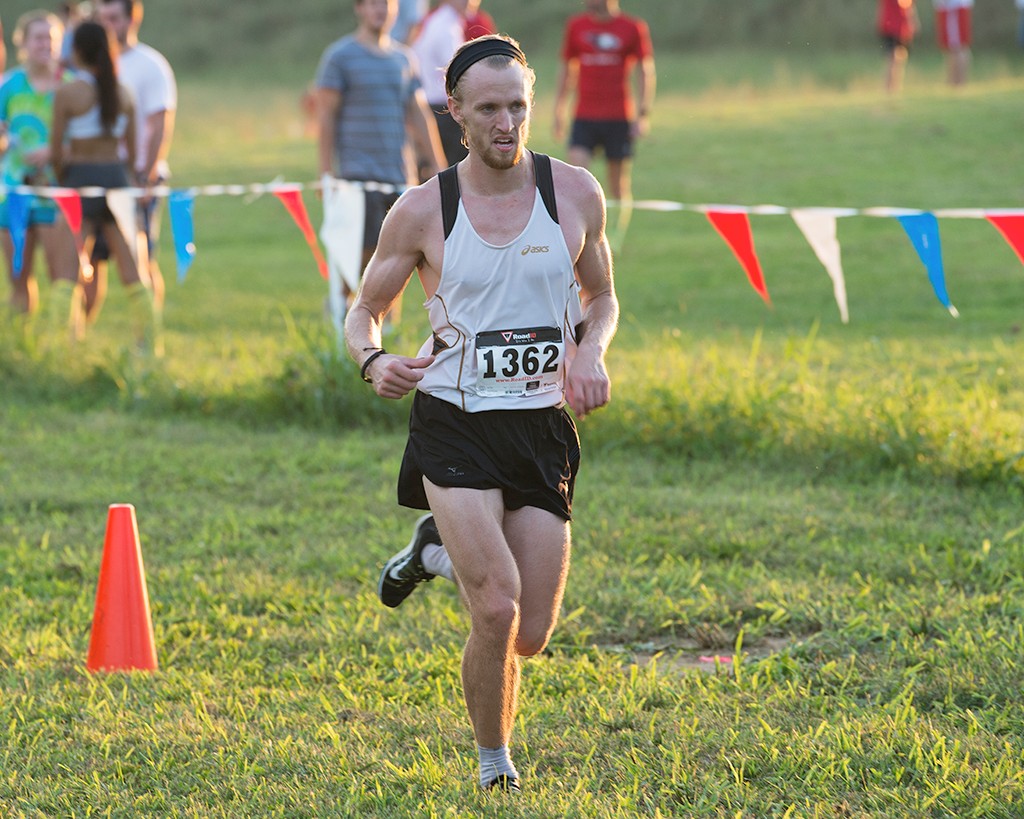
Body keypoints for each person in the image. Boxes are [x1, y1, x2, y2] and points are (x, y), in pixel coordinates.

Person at [345, 34, 619, 792]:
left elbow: (602, 298)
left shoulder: (575, 194)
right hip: (453, 418)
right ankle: (494, 764)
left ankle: (432, 551)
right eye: (489, 109)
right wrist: (374, 361)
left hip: (539, 427)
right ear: (456, 112)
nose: (507, 124)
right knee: (495, 606)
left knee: (532, 634)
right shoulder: (423, 210)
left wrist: (590, 352)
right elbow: (363, 312)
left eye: (519, 107)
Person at [316, 0, 445, 318]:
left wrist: (440, 167)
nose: (380, 10)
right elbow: (326, 116)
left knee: (401, 253)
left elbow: (418, 114)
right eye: (372, 4)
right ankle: (341, 304)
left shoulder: (404, 57)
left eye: (386, 4)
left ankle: (385, 320)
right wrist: (325, 172)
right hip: (358, 174)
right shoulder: (340, 56)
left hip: (400, 174)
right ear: (359, 8)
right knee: (363, 251)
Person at [51, 21, 157, 351]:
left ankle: (60, 348)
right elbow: (131, 148)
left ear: (77, 52)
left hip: (79, 181)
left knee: (66, 274)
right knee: (134, 275)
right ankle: (150, 347)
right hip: (117, 182)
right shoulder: (123, 93)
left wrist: (61, 175)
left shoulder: (68, 93)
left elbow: (56, 149)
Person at [88, 0, 176, 351]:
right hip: (95, 174)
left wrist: (147, 173)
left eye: (113, 18)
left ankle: (147, 340)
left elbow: (159, 122)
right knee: (90, 260)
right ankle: (80, 336)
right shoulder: (92, 65)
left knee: (141, 260)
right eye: (101, 19)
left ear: (131, 18)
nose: (107, 25)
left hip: (135, 176)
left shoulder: (149, 64)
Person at [0, 10, 80, 333]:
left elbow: (88, 139)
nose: (44, 44)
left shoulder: (72, 86)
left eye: (51, 38)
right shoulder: (9, 87)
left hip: (58, 192)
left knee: (62, 279)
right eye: (38, 38)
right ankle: (22, 349)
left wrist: (54, 151)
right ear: (23, 43)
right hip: (14, 190)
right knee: (18, 277)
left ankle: (65, 349)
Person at [553, 0, 655, 208]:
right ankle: (582, 235)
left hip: (618, 117)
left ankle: (616, 238)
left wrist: (642, 115)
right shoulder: (576, 25)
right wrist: (559, 109)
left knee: (617, 187)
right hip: (584, 116)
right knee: (575, 179)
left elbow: (644, 71)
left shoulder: (632, 27)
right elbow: (567, 69)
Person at [411, 0, 472, 167]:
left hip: (433, 107)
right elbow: (459, 72)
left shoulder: (436, 22)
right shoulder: (447, 28)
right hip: (444, 111)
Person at [877, 0, 916, 94]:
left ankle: (893, 87)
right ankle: (891, 88)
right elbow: (905, 4)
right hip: (894, 26)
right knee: (894, 58)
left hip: (895, 25)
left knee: (898, 57)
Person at [933, 0, 973, 86]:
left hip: (953, 8)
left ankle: (958, 83)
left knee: (958, 47)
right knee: (952, 48)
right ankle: (953, 83)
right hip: (949, 8)